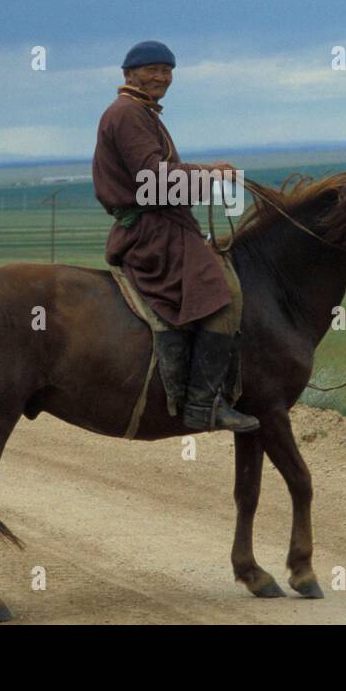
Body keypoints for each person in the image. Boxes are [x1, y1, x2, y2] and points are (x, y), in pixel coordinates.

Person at [91, 40, 259, 432]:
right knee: (221, 293)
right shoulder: (129, 113)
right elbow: (154, 181)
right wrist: (211, 178)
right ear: (129, 74)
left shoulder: (140, 111)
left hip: (163, 223)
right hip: (153, 232)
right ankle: (204, 404)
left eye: (167, 71)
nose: (162, 77)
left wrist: (207, 170)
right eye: (152, 69)